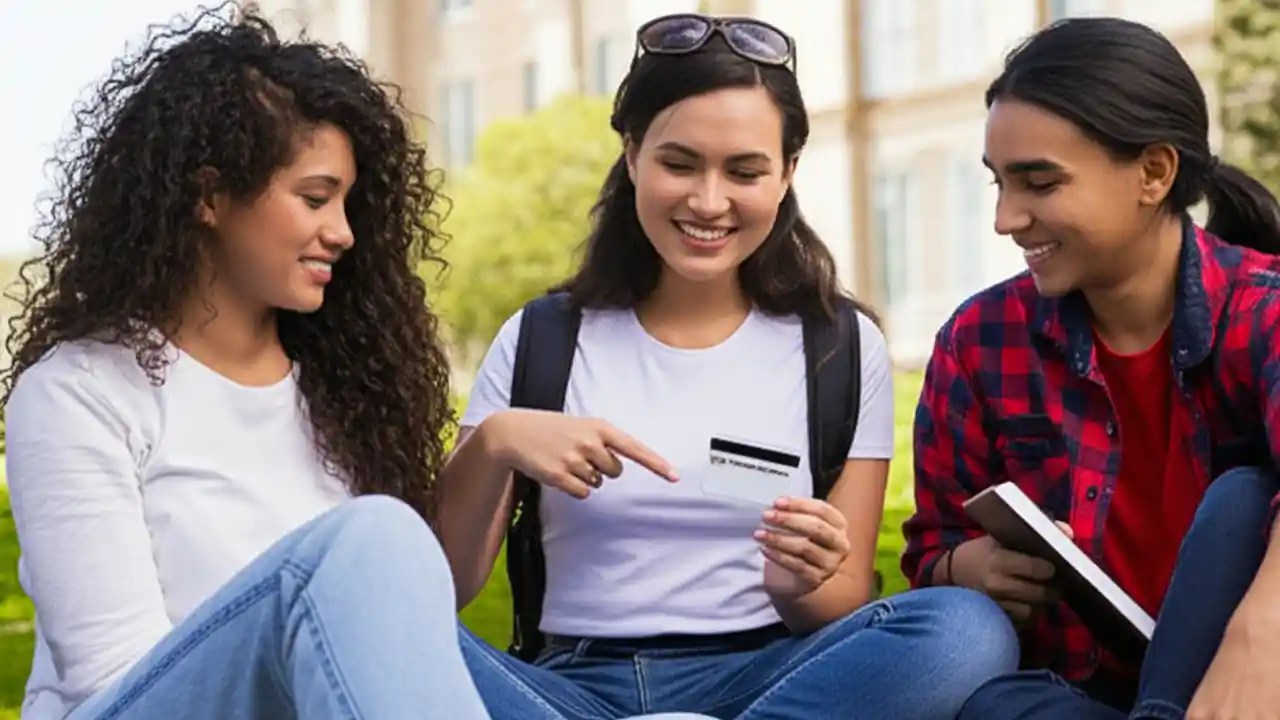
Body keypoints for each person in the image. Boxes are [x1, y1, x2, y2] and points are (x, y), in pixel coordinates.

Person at [438, 12, 1018, 720]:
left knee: (965, 631)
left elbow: (837, 608)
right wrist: (497, 440)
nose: (708, 202)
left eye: (744, 171)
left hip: (765, 678)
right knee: (373, 623)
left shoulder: (837, 344)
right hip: (569, 689)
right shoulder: (541, 338)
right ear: (631, 155)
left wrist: (795, 581)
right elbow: (450, 585)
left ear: (788, 175)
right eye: (678, 164)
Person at [1, 5, 490, 718]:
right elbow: (115, 679)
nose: (343, 233)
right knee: (372, 538)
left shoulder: (341, 397)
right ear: (208, 196)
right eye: (316, 198)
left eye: (349, 205)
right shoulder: (80, 393)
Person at [903, 16, 1280, 720]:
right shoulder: (980, 342)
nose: (1007, 218)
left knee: (1243, 497)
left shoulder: (1265, 313)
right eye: (999, 184)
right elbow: (932, 546)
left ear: (1154, 172)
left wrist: (1260, 637)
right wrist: (969, 568)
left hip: (1251, 687)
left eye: (1039, 183)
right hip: (1082, 694)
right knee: (992, 704)